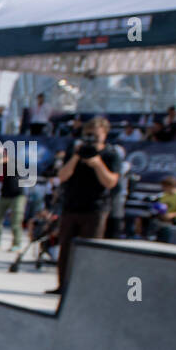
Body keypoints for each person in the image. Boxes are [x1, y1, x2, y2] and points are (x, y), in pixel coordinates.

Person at [49, 116, 122, 294]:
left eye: (95, 136)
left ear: (104, 135)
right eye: (88, 135)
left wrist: (97, 164)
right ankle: (63, 285)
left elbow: (111, 182)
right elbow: (63, 176)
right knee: (66, 249)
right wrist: (76, 157)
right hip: (71, 206)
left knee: (89, 250)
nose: (91, 139)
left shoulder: (111, 154)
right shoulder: (74, 150)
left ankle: (84, 288)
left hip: (95, 209)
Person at [0, 145, 25, 250]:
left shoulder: (13, 162)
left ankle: (16, 244)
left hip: (17, 196)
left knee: (16, 221)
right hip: (4, 195)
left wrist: (3, 162)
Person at [149, 177, 176, 243]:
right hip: (164, 218)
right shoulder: (164, 195)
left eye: (164, 187)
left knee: (166, 229)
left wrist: (171, 215)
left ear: (171, 186)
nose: (163, 188)